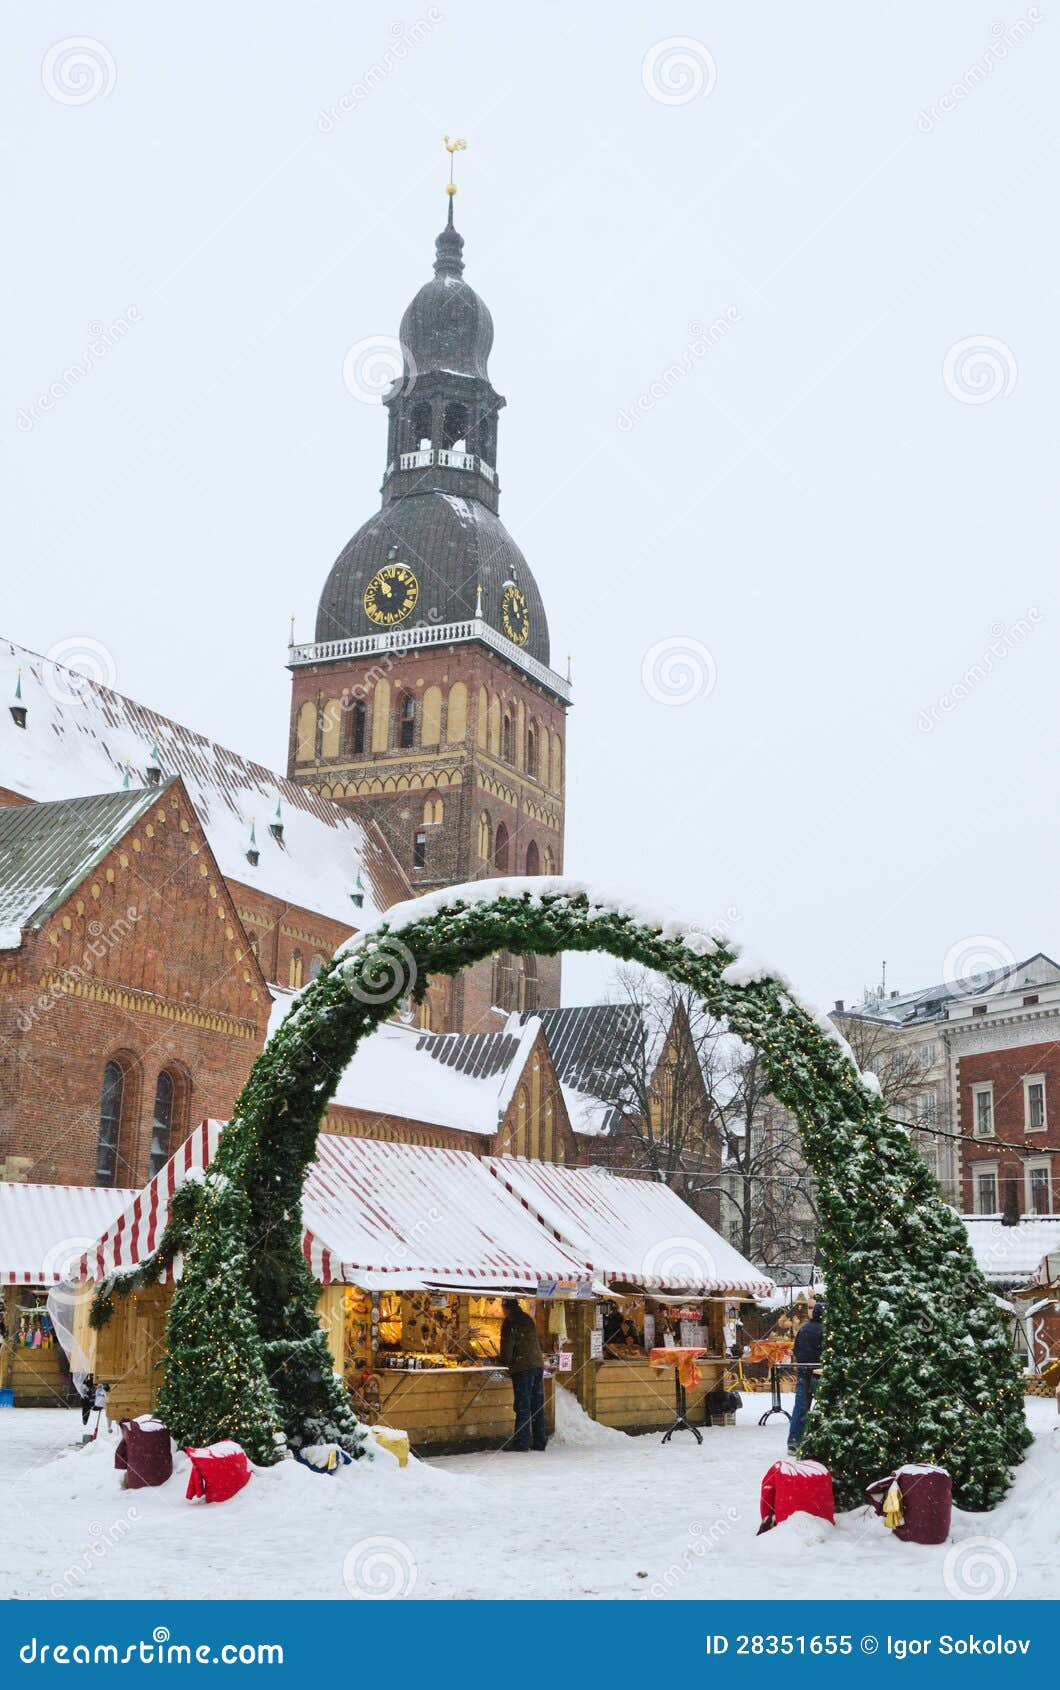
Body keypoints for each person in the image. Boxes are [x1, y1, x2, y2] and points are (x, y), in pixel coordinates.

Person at [499, 1297, 546, 1452]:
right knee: (537, 1404)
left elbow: (507, 1346)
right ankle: (539, 1441)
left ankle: (521, 1442)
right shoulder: (527, 1318)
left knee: (523, 1405)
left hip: (522, 1367)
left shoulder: (510, 1321)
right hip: (537, 1364)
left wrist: (504, 1361)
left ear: (506, 1308)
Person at [787, 1300, 824, 1453]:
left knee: (801, 1406)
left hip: (803, 1372)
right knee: (823, 1405)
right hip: (819, 1372)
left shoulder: (804, 1329)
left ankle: (794, 1440)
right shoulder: (826, 1330)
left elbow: (796, 1350)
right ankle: (820, 1440)